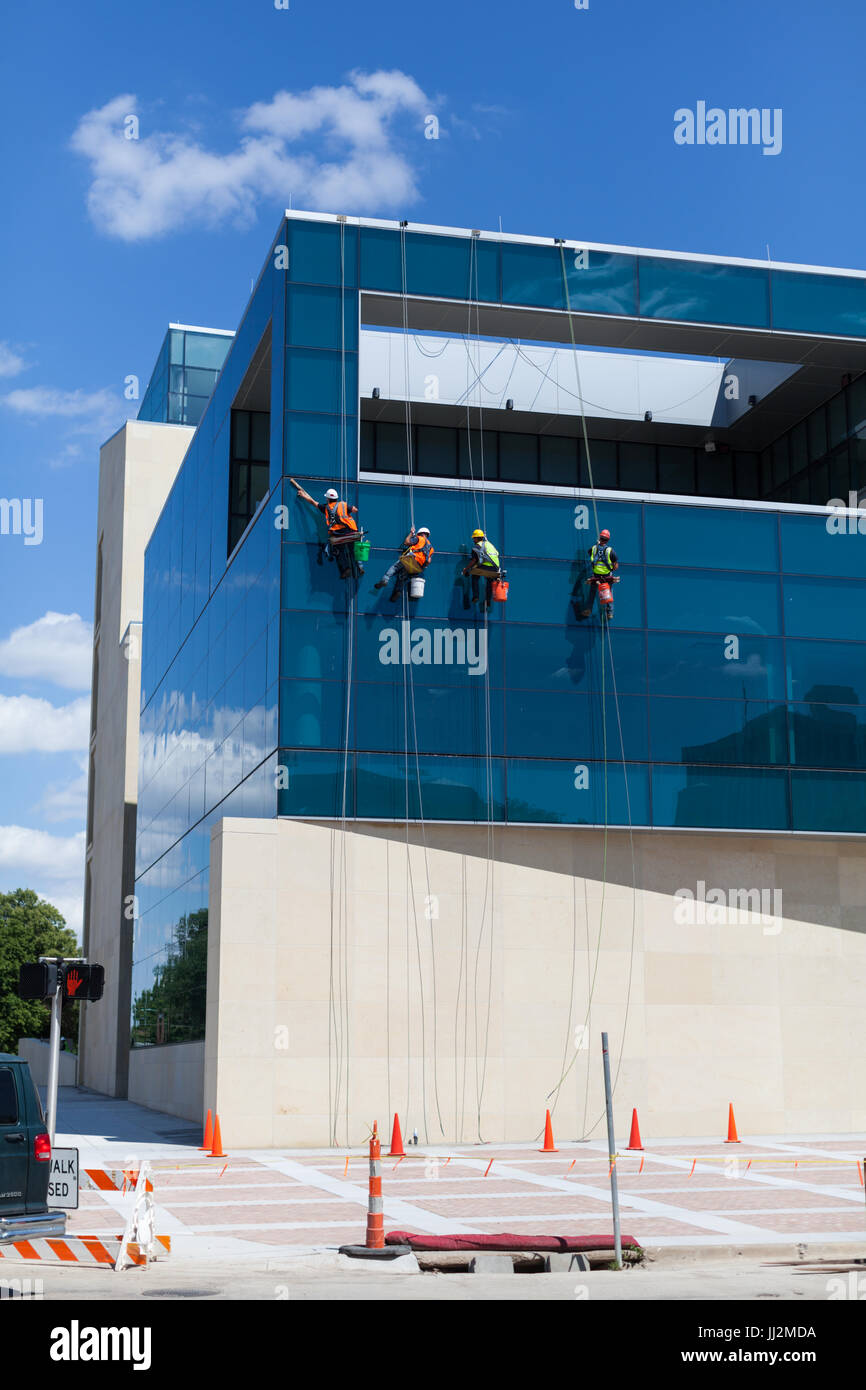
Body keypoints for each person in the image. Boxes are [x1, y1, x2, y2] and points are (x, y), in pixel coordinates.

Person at [291, 478, 363, 578]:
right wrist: (352, 509)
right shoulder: (343, 505)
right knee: (354, 549)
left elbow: (313, 502)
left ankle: (346, 568)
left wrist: (303, 495)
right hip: (350, 531)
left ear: (328, 499)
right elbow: (355, 510)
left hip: (338, 534)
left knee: (339, 551)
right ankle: (359, 566)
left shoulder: (326, 508)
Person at [374, 526, 433, 600]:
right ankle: (398, 591)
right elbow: (428, 561)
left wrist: (411, 533)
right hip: (418, 566)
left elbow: (406, 542)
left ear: (421, 533)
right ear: (427, 535)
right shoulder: (431, 548)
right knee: (402, 576)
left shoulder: (419, 538)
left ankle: (385, 580)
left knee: (395, 567)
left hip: (412, 558)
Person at [580, 528, 618, 617]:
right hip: (607, 576)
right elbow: (615, 566)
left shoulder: (593, 549)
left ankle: (588, 610)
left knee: (592, 593)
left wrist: (597, 545)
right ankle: (609, 612)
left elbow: (590, 553)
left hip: (596, 576)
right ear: (608, 540)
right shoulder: (610, 551)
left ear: (600, 538)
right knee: (608, 592)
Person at [462, 528, 501, 610]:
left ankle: (476, 596)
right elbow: (496, 554)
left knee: (475, 575)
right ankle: (488, 601)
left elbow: (474, 560)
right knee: (489, 581)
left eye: (474, 538)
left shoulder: (477, 546)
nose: (473, 540)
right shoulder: (490, 545)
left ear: (476, 538)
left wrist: (466, 569)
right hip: (495, 569)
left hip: (486, 567)